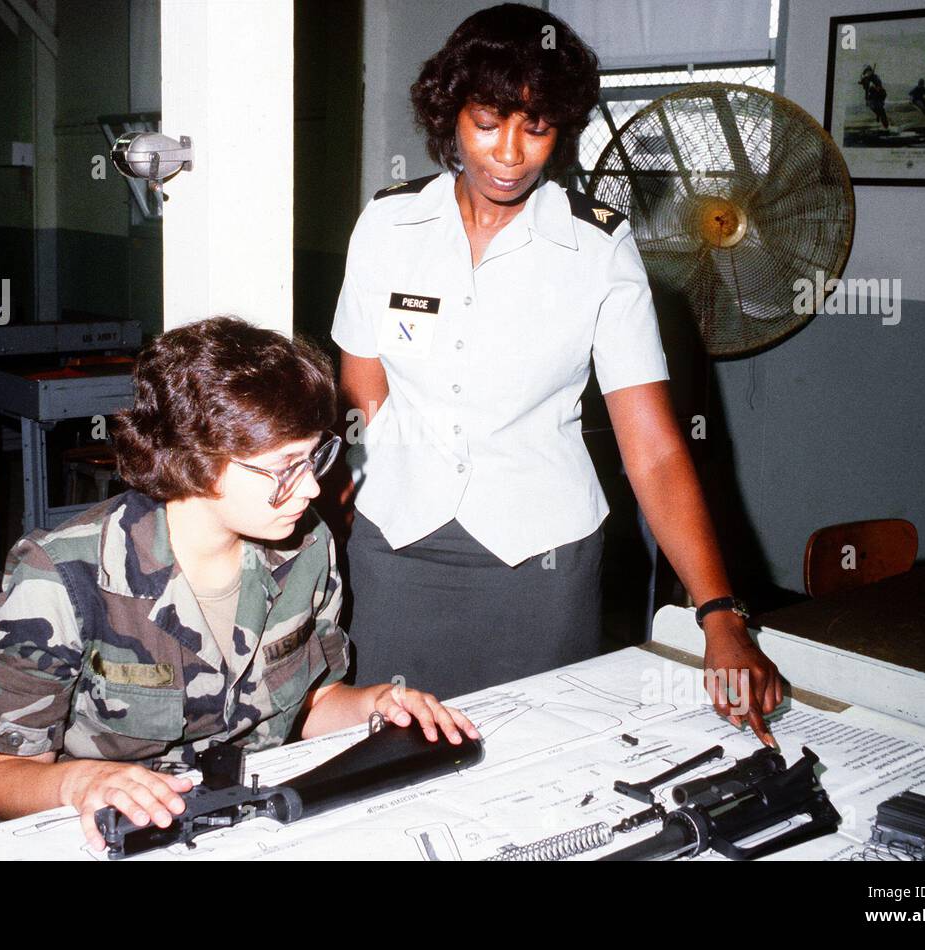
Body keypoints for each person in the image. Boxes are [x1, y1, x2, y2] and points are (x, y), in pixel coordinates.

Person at [331, 3, 783, 745]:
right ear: (450, 115)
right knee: (386, 756)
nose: (509, 153)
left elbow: (655, 449)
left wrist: (719, 613)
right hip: (399, 549)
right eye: (487, 122)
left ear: (561, 130)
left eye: (535, 128)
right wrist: (384, 473)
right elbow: (362, 381)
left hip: (539, 562)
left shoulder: (597, 246)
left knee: (535, 759)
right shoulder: (388, 224)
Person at [0, 317, 479, 850]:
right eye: (285, 466)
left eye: (313, 457)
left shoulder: (304, 550)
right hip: (117, 831)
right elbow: (1, 776)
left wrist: (377, 705)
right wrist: (81, 781)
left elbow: (311, 703)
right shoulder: (61, 578)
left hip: (257, 818)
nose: (311, 486)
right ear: (197, 459)